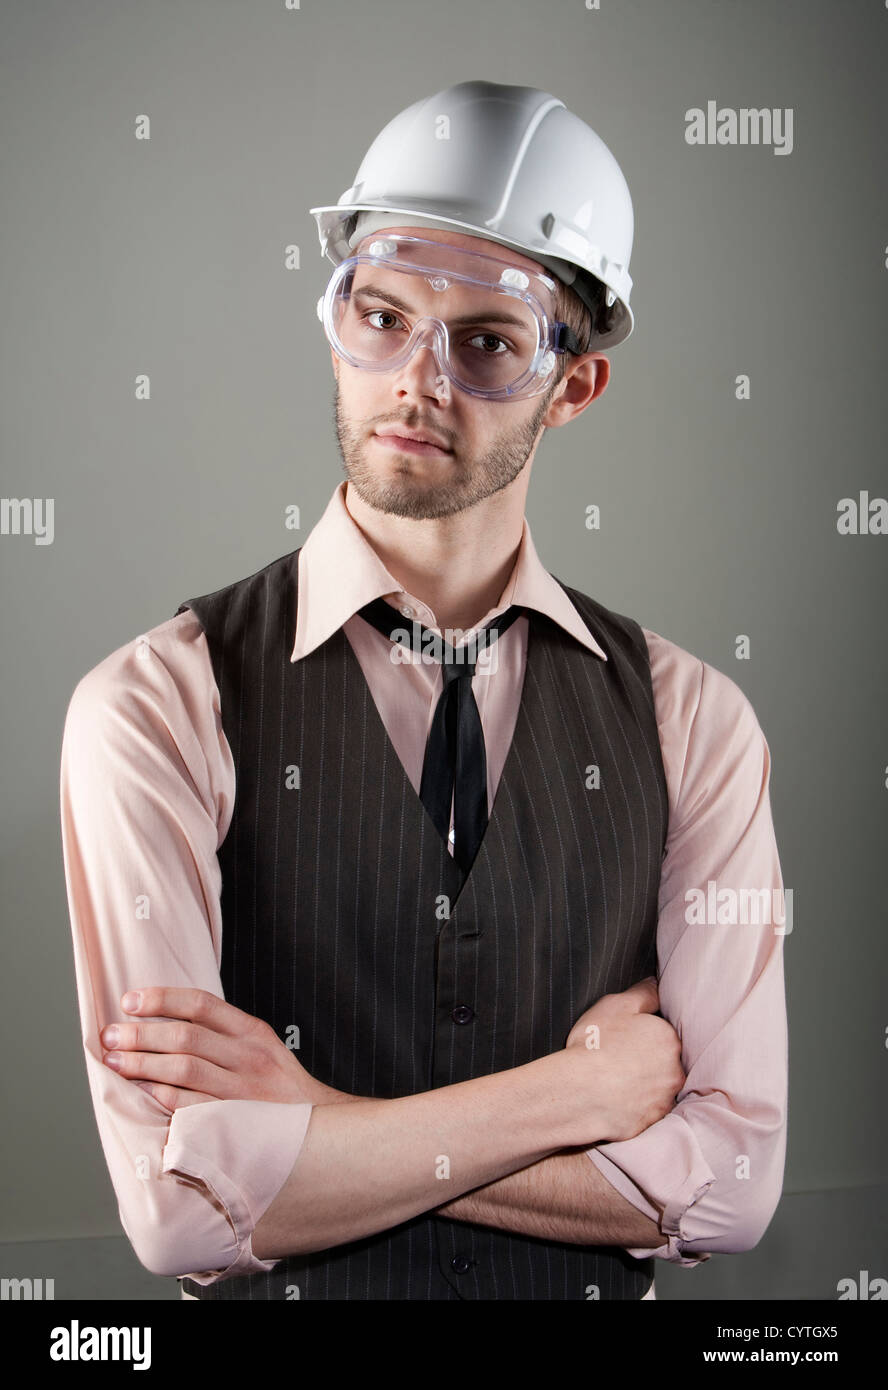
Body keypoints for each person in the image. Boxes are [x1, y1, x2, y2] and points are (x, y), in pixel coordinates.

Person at [60, 80, 788, 1301]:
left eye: (489, 341)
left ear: (574, 387)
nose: (416, 379)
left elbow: (737, 1184)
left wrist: (316, 1124)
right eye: (381, 315)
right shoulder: (153, 707)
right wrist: (576, 1097)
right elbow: (180, 1212)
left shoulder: (693, 721)